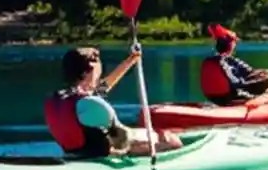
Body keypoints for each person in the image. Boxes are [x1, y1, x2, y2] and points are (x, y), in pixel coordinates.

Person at [44, 46, 183, 158]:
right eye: (98, 69)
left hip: (72, 155)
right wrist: (155, 136)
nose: (100, 74)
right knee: (174, 141)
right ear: (87, 72)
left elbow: (104, 87)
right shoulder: (89, 103)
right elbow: (123, 139)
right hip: (104, 158)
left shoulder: (60, 98)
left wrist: (131, 61)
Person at [199, 24, 268, 106]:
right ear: (231, 45)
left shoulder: (210, 60)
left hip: (212, 97)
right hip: (229, 96)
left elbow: (248, 73)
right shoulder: (225, 61)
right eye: (234, 43)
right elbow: (236, 82)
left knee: (265, 76)